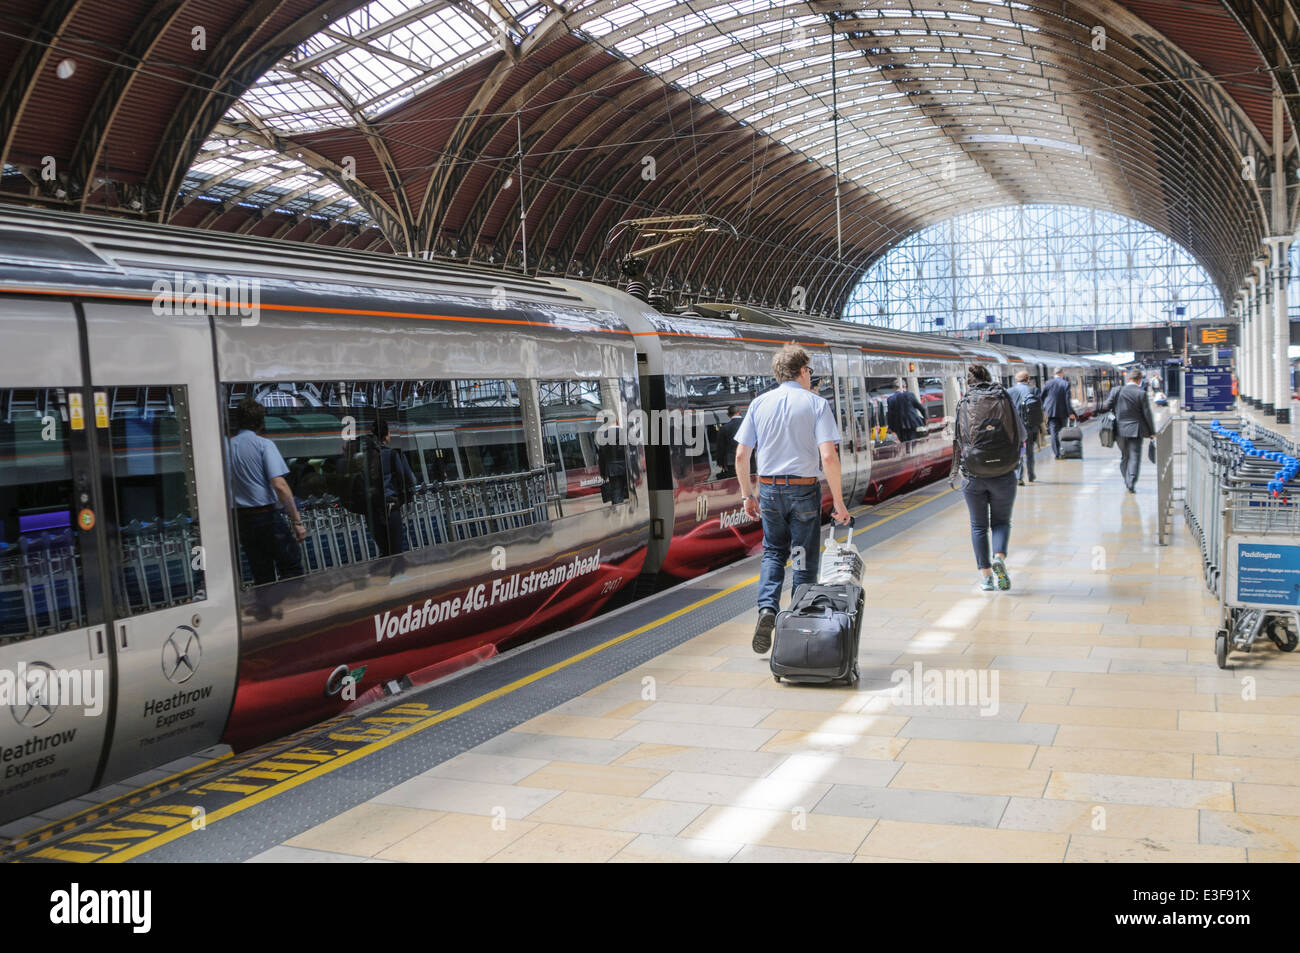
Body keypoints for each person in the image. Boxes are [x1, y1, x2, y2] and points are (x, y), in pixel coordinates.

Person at [735, 344, 851, 653]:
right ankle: (797, 624)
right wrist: (838, 502)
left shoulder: (759, 404)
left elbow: (741, 455)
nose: (810, 377)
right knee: (802, 557)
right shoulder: (815, 404)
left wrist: (748, 495)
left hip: (770, 491)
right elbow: (828, 456)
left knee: (773, 552)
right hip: (803, 490)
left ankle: (767, 611)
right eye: (809, 371)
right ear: (801, 371)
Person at [953, 364, 1025, 592]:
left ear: (968, 382)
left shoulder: (964, 403)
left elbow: (957, 439)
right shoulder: (1003, 399)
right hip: (1004, 472)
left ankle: (985, 578)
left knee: (978, 526)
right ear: (989, 378)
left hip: (973, 474)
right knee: (1002, 522)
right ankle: (999, 558)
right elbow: (1021, 434)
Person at [226, 397, 306, 587]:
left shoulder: (226, 446)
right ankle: (289, 610)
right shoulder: (263, 445)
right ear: (261, 422)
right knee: (292, 567)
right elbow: (279, 485)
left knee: (262, 575)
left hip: (242, 520)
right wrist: (297, 521)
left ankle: (268, 611)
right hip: (266, 517)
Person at [362, 418, 417, 556]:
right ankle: (396, 575)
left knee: (384, 552)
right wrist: (404, 498)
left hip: (371, 511)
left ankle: (386, 576)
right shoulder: (393, 454)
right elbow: (410, 479)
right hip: (390, 508)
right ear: (386, 436)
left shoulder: (363, 457)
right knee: (396, 552)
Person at [1104, 367, 1156, 493]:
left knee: (1125, 456)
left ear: (1128, 379)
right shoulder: (1141, 393)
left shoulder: (1117, 390)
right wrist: (1152, 432)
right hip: (1135, 430)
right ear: (1140, 380)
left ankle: (1126, 479)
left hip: (1119, 430)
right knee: (1134, 456)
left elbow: (1106, 406)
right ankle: (1131, 481)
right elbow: (1147, 414)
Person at [1006, 370, 1042, 485]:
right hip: (1031, 426)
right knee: (1030, 451)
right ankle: (1031, 475)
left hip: (1016, 427)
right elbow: (1040, 408)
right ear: (1028, 379)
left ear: (1016, 380)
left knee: (1019, 452)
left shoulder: (1009, 391)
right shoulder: (1034, 390)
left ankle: (1019, 476)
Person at [1041, 368, 1076, 459]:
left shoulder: (1048, 383)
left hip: (1050, 412)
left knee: (1053, 433)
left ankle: (1057, 453)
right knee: (1062, 432)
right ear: (1062, 373)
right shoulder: (1065, 384)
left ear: (1054, 373)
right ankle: (1062, 450)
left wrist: (1044, 408)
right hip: (1063, 412)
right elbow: (1067, 401)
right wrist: (1070, 413)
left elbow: (1042, 397)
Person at [886, 378, 926, 443]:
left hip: (898, 425)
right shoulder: (910, 395)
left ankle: (907, 451)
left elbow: (890, 415)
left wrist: (890, 427)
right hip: (912, 423)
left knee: (903, 442)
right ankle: (911, 451)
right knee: (912, 441)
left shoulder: (890, 399)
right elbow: (921, 408)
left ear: (894, 388)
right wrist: (925, 418)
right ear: (905, 386)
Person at [715, 405, 744, 477]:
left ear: (728, 415)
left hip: (732, 463)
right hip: (750, 460)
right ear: (740, 412)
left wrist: (720, 462)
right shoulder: (749, 424)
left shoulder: (724, 428)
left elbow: (720, 448)